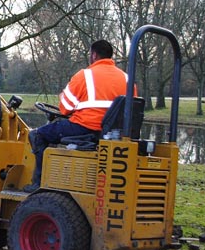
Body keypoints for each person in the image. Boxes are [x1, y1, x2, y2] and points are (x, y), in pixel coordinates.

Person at [24, 40, 131, 192]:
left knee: (37, 135)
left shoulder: (85, 76)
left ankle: (38, 184)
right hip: (111, 134)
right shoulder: (127, 79)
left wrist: (62, 96)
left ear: (93, 55)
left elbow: (65, 108)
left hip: (84, 127)